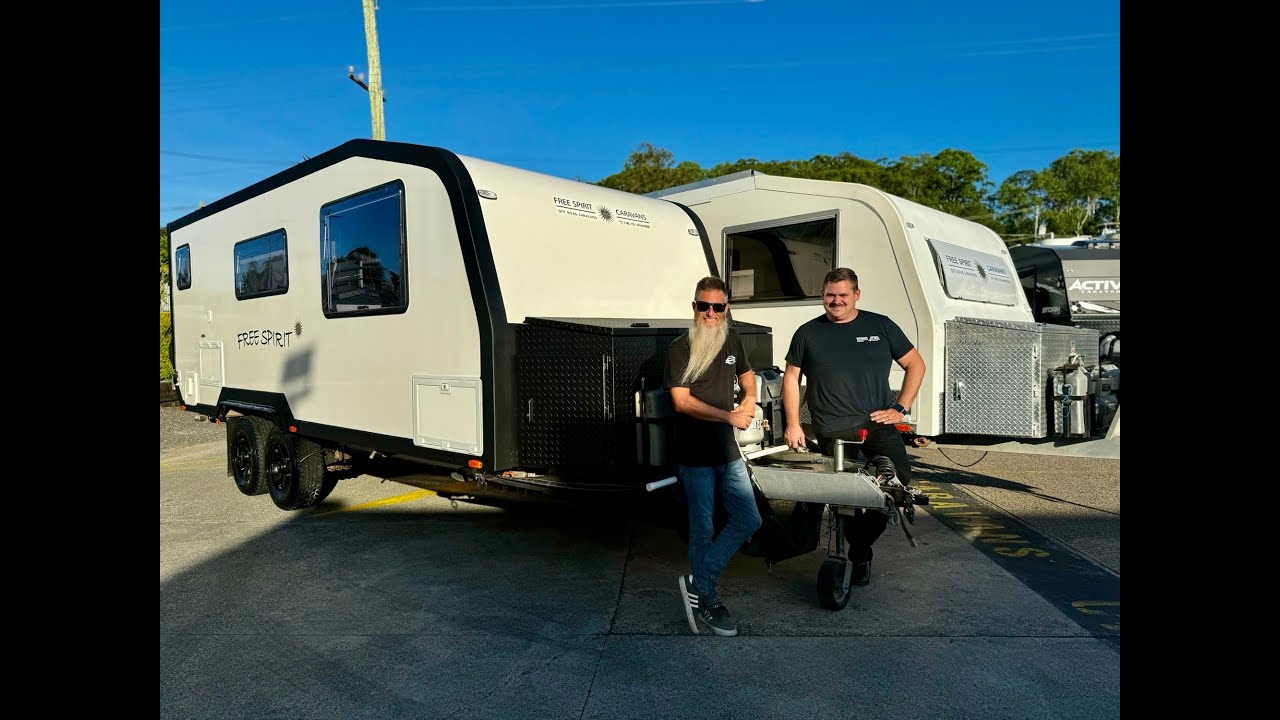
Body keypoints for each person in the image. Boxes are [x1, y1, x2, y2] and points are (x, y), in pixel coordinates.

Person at [782, 267, 925, 587]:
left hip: (876, 425)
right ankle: (841, 547)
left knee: (894, 485)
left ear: (856, 295)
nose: (836, 301)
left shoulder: (881, 325)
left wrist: (899, 408)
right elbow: (791, 378)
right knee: (843, 496)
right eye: (830, 295)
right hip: (832, 430)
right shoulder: (807, 333)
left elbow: (915, 364)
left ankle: (861, 549)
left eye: (843, 295)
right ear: (822, 295)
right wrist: (793, 424)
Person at [665, 276, 762, 637]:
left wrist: (749, 400)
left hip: (727, 450)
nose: (710, 313)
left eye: (717, 307)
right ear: (694, 307)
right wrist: (728, 416)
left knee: (749, 519)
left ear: (726, 309)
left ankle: (698, 582)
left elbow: (748, 376)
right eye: (703, 306)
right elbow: (681, 401)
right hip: (694, 454)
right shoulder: (680, 347)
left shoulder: (732, 339)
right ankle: (707, 601)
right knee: (702, 529)